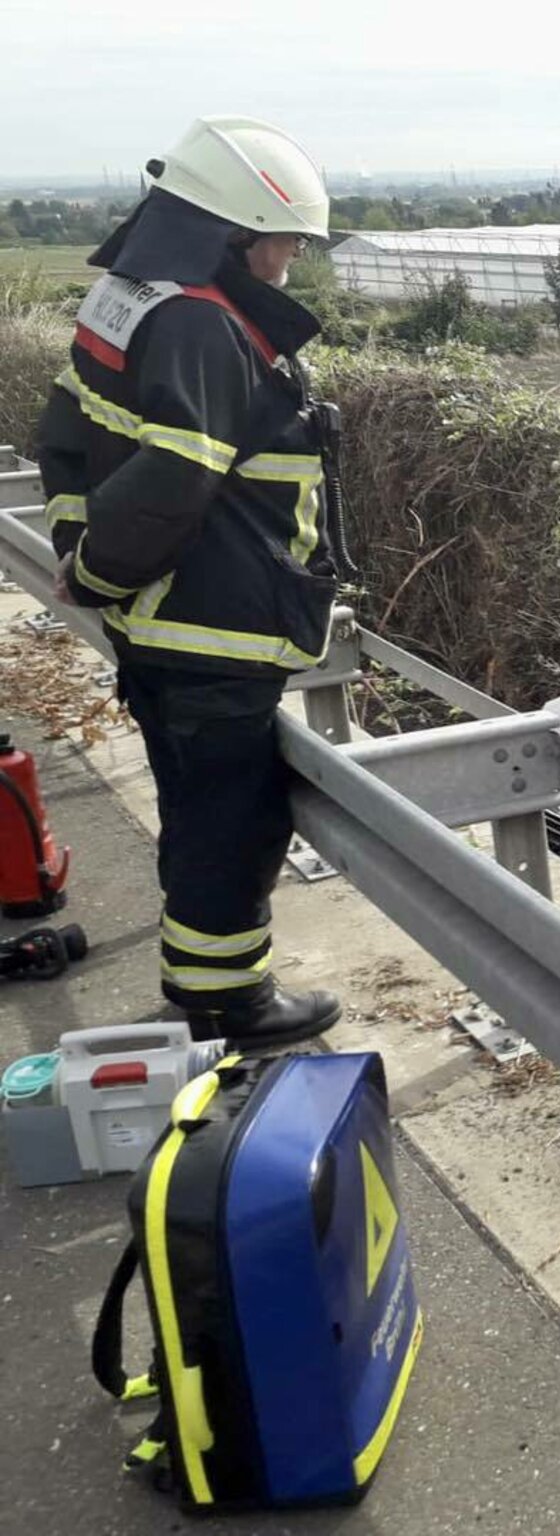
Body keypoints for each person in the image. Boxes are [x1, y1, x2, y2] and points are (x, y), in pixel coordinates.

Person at [39, 116, 346, 1049]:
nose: (293, 256)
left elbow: (63, 437)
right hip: (212, 628)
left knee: (196, 810)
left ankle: (198, 984)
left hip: (165, 622)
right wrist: (95, 571)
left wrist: (84, 560)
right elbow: (173, 484)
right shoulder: (204, 326)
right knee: (232, 825)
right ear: (233, 235)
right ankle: (227, 1005)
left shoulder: (131, 299)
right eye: (286, 239)